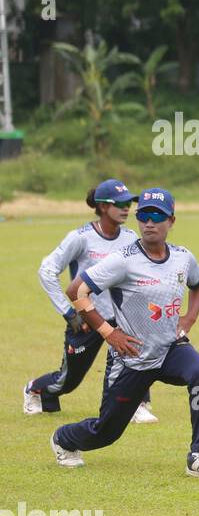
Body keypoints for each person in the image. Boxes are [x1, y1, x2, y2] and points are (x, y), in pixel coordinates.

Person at [49, 188, 199, 478]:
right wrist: (108, 333)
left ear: (172, 220)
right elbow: (76, 291)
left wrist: (189, 319)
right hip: (132, 358)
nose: (149, 222)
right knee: (105, 432)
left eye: (157, 216)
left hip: (170, 349)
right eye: (143, 215)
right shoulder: (124, 259)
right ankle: (64, 439)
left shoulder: (183, 257)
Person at [24, 179, 158, 425]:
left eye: (129, 203)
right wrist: (69, 313)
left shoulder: (130, 238)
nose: (127, 208)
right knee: (68, 380)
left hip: (121, 318)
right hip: (85, 320)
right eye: (120, 204)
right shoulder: (80, 238)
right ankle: (36, 390)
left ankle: (137, 405)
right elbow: (47, 270)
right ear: (103, 206)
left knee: (136, 356)